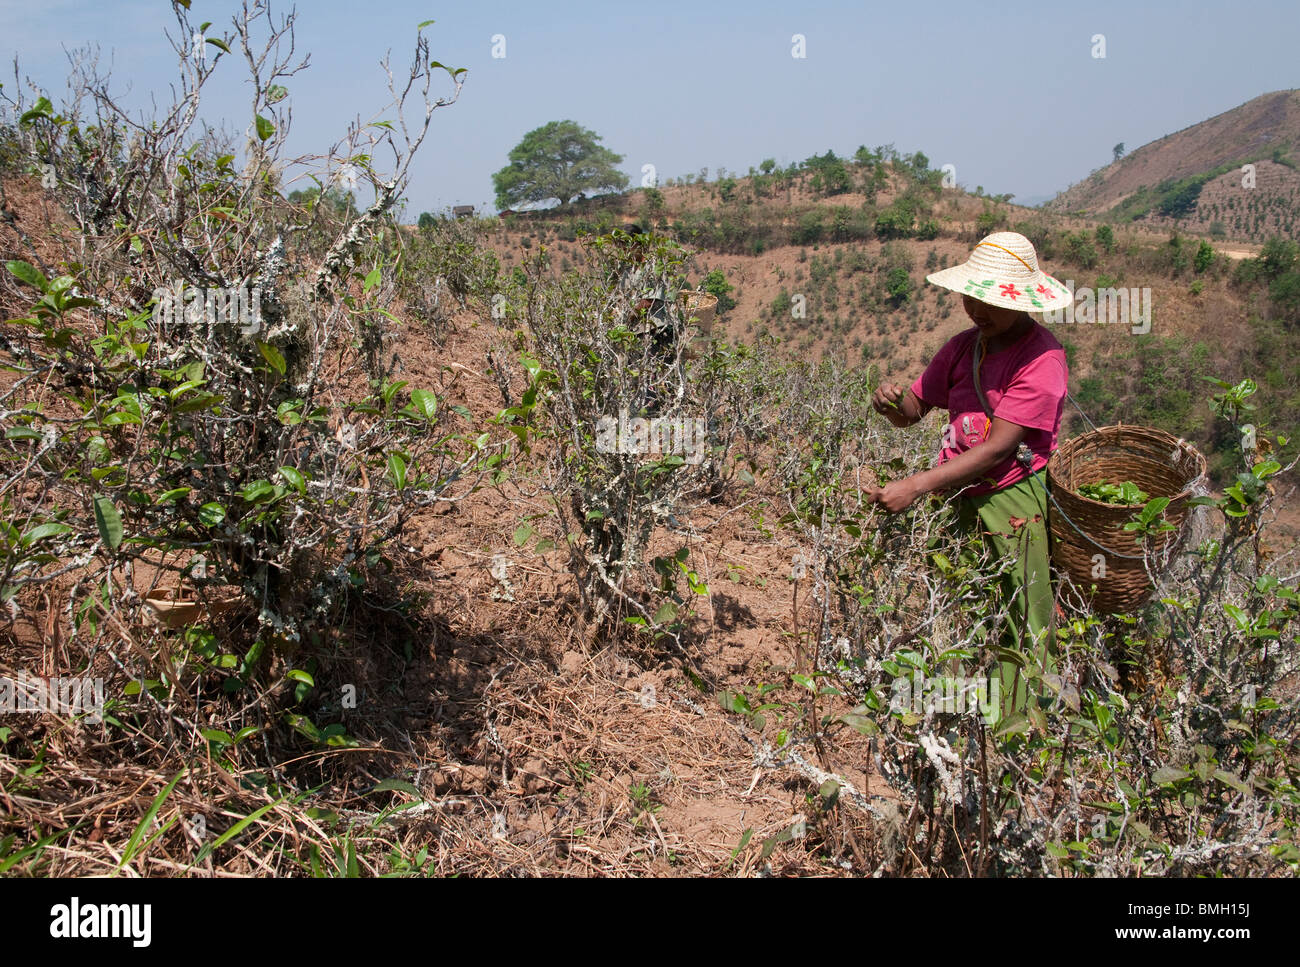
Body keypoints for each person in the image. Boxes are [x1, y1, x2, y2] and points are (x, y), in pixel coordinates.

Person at [866, 232, 1072, 721]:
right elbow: (917, 408)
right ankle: (977, 709)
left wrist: (916, 485)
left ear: (1023, 302)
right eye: (972, 297)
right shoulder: (962, 349)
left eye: (992, 301)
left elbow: (1000, 448)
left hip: (1012, 499)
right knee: (974, 603)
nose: (979, 310)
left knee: (1025, 616)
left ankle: (1022, 729)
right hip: (959, 497)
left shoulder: (1042, 360)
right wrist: (893, 402)